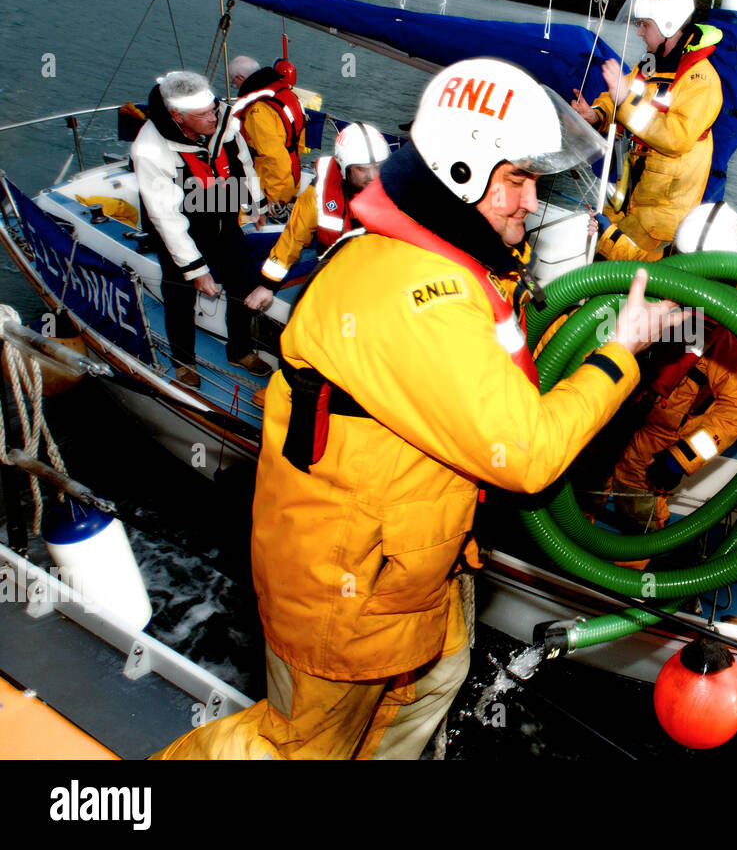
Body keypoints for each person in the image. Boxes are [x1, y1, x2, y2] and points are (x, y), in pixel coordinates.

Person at [153, 58, 683, 760]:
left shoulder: (440, 262)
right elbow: (525, 453)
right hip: (346, 591)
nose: (530, 201)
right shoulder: (419, 297)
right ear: (462, 176)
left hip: (409, 569)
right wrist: (622, 352)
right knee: (294, 747)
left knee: (432, 683)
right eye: (517, 180)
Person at [610, 202, 737, 534]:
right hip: (618, 402)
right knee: (580, 475)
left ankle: (629, 573)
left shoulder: (732, 329)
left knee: (636, 505)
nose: (688, 278)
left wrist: (683, 457)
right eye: (682, 262)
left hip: (659, 440)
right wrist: (605, 233)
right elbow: (632, 263)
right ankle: (567, 545)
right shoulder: (661, 274)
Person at [131, 70, 273, 386]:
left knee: (245, 285)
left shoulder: (222, 120)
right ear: (177, 116)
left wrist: (256, 203)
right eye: (203, 114)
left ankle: (239, 349)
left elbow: (243, 163)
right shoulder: (150, 149)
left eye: (212, 108)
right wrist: (196, 270)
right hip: (184, 227)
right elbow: (166, 217)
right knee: (180, 297)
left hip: (224, 218)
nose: (213, 117)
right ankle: (183, 361)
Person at [570, 0, 723, 262]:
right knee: (600, 273)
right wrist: (595, 114)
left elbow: (675, 137)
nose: (639, 32)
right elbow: (620, 96)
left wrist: (625, 99)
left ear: (667, 25)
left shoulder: (701, 81)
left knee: (628, 283)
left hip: (658, 222)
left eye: (645, 25)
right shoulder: (651, 65)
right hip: (629, 204)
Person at [244, 121, 391, 311]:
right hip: (336, 273)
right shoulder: (316, 197)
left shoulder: (399, 190)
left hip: (381, 274)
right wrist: (267, 285)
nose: (372, 176)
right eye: (362, 169)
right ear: (343, 168)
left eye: (378, 167)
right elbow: (291, 240)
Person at [230, 55, 307, 215]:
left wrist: (271, 200)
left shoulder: (257, 110)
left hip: (270, 190)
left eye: (234, 81)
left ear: (240, 78)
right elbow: (299, 143)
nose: (234, 86)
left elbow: (274, 157)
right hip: (292, 179)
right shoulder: (288, 95)